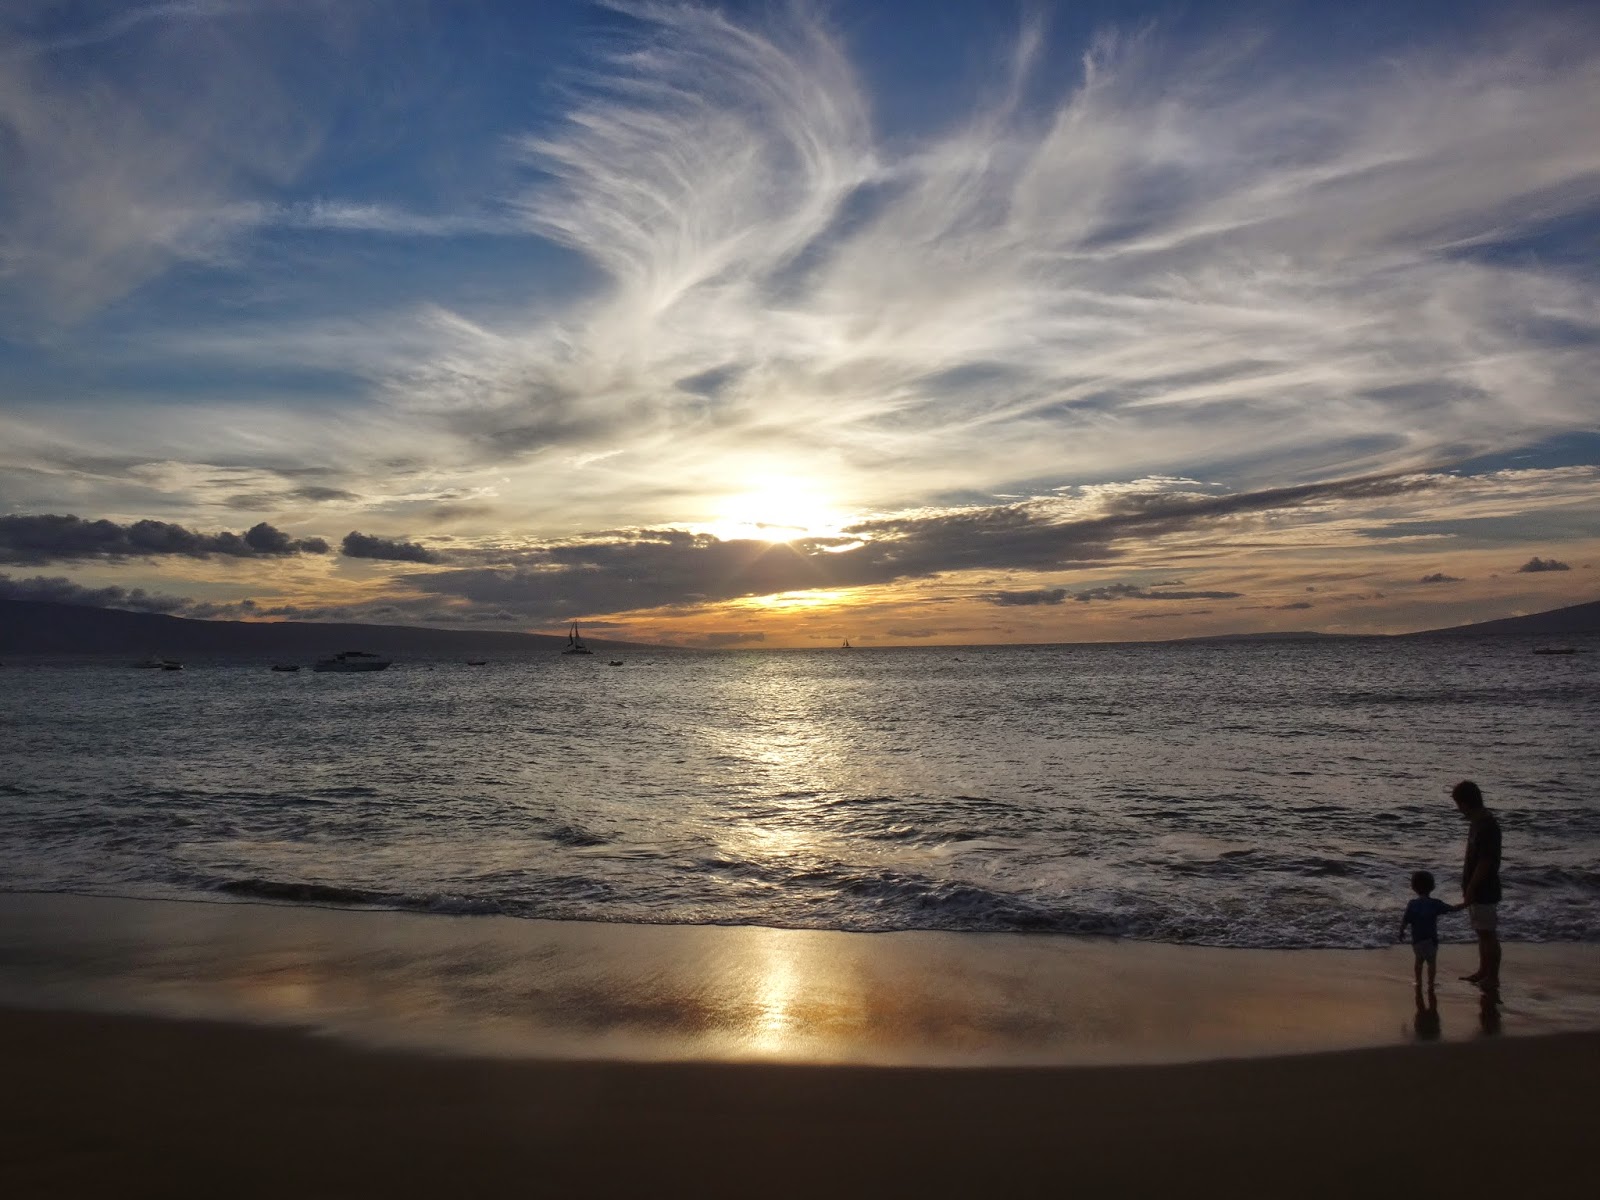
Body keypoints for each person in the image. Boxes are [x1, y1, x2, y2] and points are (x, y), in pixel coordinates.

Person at [1452, 779, 1502, 987]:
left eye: (1459, 804)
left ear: (1466, 803)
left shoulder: (1487, 826)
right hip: (1475, 886)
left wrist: (1472, 887)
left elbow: (1485, 862)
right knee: (1481, 932)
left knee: (1488, 934)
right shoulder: (1477, 823)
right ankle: (1483, 970)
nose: (1459, 809)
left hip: (1484, 888)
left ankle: (1493, 977)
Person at [1397, 870, 1459, 990]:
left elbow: (1405, 920)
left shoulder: (1412, 904)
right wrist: (1465, 904)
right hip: (1431, 939)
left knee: (1418, 962)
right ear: (1433, 887)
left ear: (1413, 887)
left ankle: (1418, 981)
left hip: (1417, 940)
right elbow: (1451, 909)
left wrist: (1401, 931)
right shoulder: (1435, 903)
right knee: (1431, 963)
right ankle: (1431, 983)